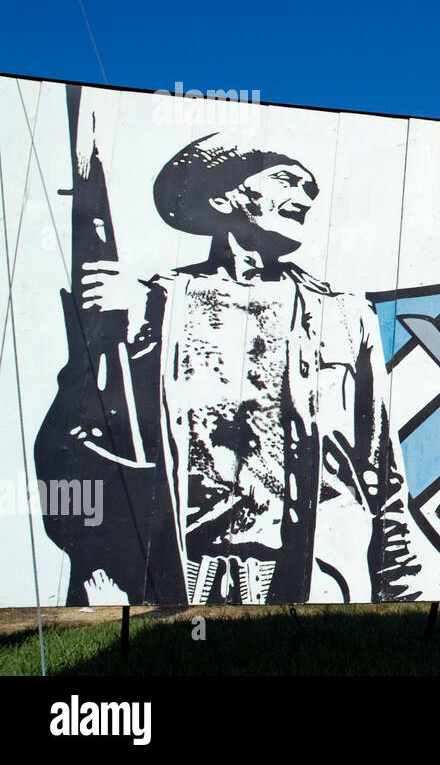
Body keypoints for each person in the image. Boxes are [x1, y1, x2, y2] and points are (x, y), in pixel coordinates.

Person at [68, 134, 421, 605]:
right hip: (181, 572)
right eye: (286, 181)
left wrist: (400, 591)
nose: (304, 199)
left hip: (311, 575)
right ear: (222, 196)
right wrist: (105, 330)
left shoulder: (345, 315)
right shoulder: (152, 305)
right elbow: (83, 442)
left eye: (309, 189)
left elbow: (380, 466)